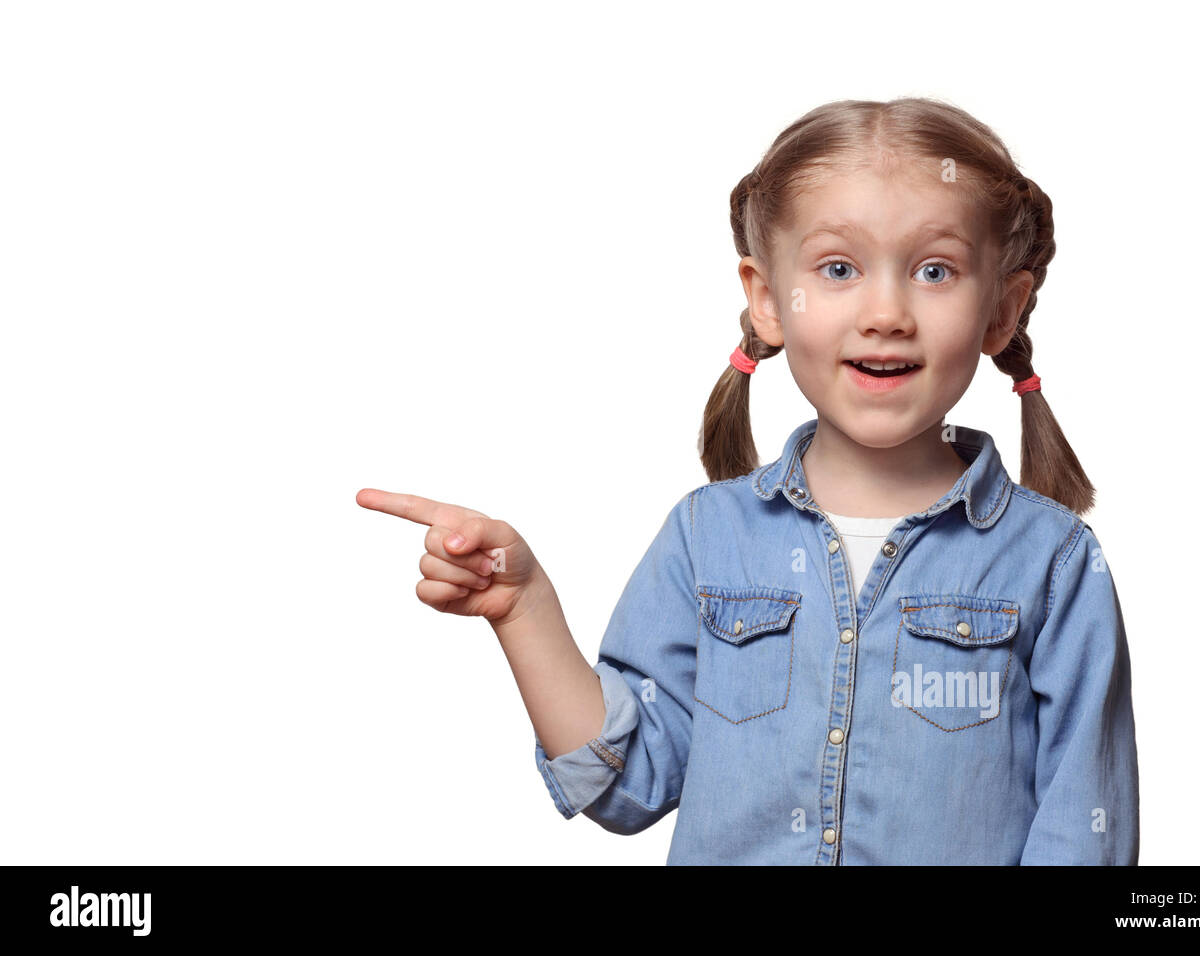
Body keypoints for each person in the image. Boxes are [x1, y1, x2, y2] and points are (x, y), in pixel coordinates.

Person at [356, 97, 1139, 865]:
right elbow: (623, 783)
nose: (886, 312)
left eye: (935, 270)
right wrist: (523, 611)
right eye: (838, 268)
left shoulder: (1054, 560)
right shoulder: (707, 538)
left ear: (1002, 312)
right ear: (768, 300)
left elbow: (1086, 827)